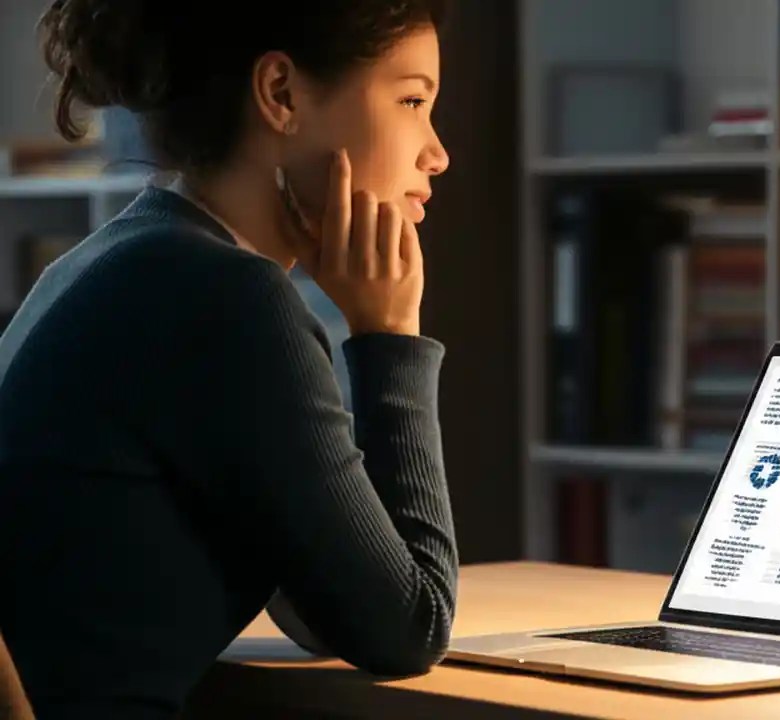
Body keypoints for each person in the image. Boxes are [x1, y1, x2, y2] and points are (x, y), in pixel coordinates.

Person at [0, 1, 458, 717]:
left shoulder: (121, 257)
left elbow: (330, 602)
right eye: (411, 100)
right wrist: (391, 335)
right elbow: (409, 626)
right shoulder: (228, 300)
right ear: (280, 95)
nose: (436, 152)